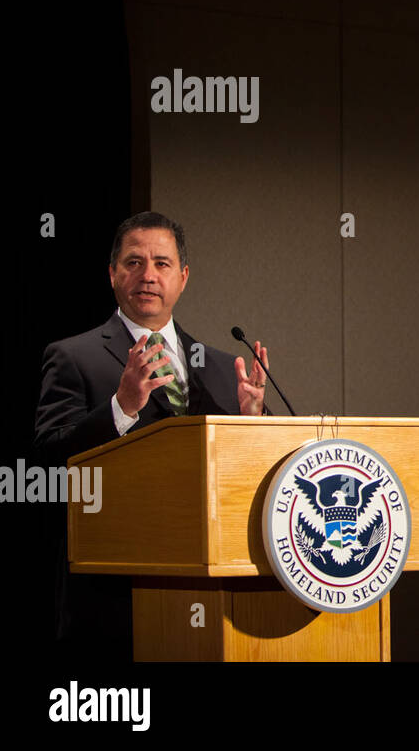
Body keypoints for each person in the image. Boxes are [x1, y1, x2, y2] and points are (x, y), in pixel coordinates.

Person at [32, 211, 273, 653]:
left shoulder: (222, 366)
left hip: (216, 594)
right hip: (114, 598)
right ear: (112, 274)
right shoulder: (73, 357)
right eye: (133, 263)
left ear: (182, 277)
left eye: (162, 264)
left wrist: (252, 422)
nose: (148, 275)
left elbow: (262, 480)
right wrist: (121, 407)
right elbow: (48, 464)